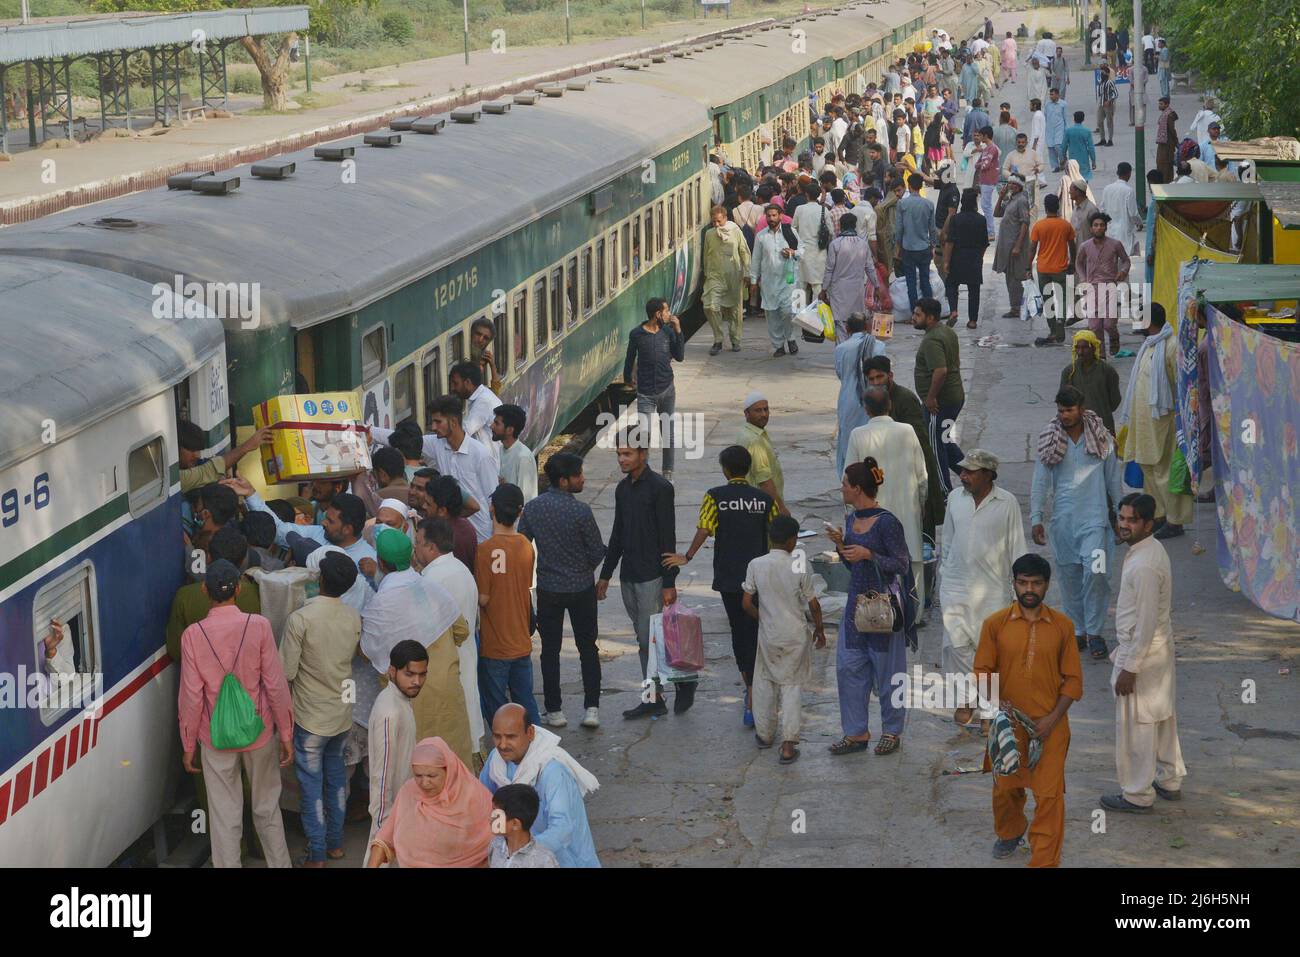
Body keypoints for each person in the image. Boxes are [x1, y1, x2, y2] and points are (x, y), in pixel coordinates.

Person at [177, 560, 294, 869]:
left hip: (215, 738)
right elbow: (275, 685)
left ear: (205, 590)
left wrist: (188, 745)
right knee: (267, 808)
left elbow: (190, 697)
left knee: (224, 817)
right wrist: (286, 732)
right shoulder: (259, 626)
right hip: (259, 732)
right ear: (239, 589)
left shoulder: (192, 635)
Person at [974, 553, 1083, 867]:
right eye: (1023, 583)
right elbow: (981, 670)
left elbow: (1073, 681)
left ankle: (1044, 861)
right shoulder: (994, 624)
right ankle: (1010, 831)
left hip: (1050, 727)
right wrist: (995, 706)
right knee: (1006, 787)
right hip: (1008, 726)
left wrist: (1052, 719)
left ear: (1047, 585)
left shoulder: (1063, 626)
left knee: (1049, 796)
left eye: (1036, 583)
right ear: (1014, 584)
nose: (1029, 589)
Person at [662, 446, 776, 730]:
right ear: (748, 469)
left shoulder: (715, 497)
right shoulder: (764, 499)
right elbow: (777, 534)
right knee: (761, 630)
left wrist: (686, 557)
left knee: (740, 633)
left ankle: (750, 693)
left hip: (730, 579)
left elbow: (704, 528)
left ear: (725, 470)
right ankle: (760, 691)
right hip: (761, 577)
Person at [827, 458, 917, 757]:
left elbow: (902, 563)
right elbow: (852, 567)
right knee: (849, 668)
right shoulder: (852, 520)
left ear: (857, 488)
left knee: (889, 672)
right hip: (856, 605)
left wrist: (869, 554)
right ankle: (856, 732)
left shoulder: (888, 522)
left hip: (883, 607)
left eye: (844, 484)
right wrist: (842, 546)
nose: (841, 489)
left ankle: (892, 730)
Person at [1101, 493, 1186, 812]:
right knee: (1160, 716)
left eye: (1132, 520)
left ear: (1149, 524)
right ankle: (1169, 779)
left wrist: (1130, 667)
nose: (1124, 525)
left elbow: (1146, 621)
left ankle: (1137, 794)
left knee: (1137, 726)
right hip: (1155, 650)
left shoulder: (1146, 564)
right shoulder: (1146, 551)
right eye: (1121, 518)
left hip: (1143, 653)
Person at [362, 528, 475, 766]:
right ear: (412, 556)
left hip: (409, 696)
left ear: (380, 562)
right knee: (452, 763)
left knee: (417, 770)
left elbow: (368, 651)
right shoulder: (434, 590)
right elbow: (462, 631)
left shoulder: (379, 605)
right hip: (446, 692)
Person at [598, 443, 693, 717]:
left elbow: (668, 536)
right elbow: (618, 533)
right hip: (629, 575)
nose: (621, 460)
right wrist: (606, 574)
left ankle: (657, 694)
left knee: (646, 641)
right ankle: (670, 687)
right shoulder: (622, 489)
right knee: (650, 639)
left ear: (643, 454)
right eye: (618, 454)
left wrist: (669, 581)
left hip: (652, 576)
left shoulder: (660, 488)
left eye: (627, 454)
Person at [280, 552, 362, 867]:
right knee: (337, 780)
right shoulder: (353, 616)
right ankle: (336, 845)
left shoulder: (301, 619)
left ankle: (316, 854)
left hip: (311, 717)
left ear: (321, 580)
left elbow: (286, 672)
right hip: (341, 713)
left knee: (311, 786)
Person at [1031, 386, 1123, 659]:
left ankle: (1095, 632)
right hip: (1063, 523)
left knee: (1096, 574)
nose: (1064, 415)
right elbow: (1040, 481)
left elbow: (1113, 480)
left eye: (1069, 410)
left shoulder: (1101, 437)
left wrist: (1120, 515)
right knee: (1070, 579)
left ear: (1081, 409)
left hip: (1095, 521)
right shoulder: (1050, 438)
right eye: (1060, 410)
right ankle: (1078, 631)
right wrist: (1036, 518)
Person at [518, 453, 606, 730]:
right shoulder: (581, 511)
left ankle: (554, 710)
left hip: (548, 590)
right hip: (581, 589)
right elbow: (596, 551)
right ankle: (591, 708)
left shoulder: (532, 509)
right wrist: (581, 567)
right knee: (587, 647)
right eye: (579, 475)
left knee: (550, 650)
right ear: (564, 481)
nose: (583, 479)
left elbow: (522, 547)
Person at [940, 450, 1026, 729]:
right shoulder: (955, 499)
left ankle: (990, 710)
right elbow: (948, 542)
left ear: (988, 475)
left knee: (989, 653)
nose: (963, 476)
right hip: (955, 586)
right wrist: (945, 575)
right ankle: (965, 699)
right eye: (962, 471)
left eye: (970, 472)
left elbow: (1017, 548)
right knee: (957, 647)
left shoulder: (1007, 502)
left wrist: (1019, 594)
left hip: (992, 590)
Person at [739, 513, 826, 765]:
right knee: (791, 686)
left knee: (765, 681)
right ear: (792, 540)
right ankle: (788, 745)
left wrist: (764, 617)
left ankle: (765, 735)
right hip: (795, 635)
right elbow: (813, 604)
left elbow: (746, 603)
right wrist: (819, 630)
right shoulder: (799, 564)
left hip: (769, 635)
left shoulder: (756, 564)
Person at [480, 703, 601, 868]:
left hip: (563, 859)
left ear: (529, 733)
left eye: (510, 737)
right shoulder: (496, 760)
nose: (502, 744)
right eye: (497, 736)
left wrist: (526, 851)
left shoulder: (553, 771)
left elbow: (562, 828)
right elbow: (482, 801)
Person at [845, 385, 929, 605]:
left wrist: (852, 518)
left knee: (875, 566)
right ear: (890, 405)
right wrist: (920, 505)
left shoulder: (857, 435)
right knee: (911, 561)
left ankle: (877, 612)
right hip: (906, 512)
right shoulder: (907, 431)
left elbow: (849, 480)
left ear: (866, 409)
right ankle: (913, 613)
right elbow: (922, 477)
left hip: (872, 518)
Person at [1116, 304, 1192, 540]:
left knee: (1165, 471)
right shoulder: (1150, 344)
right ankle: (1158, 516)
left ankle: (1175, 520)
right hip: (1144, 423)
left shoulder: (1171, 346)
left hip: (1164, 422)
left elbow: (1180, 385)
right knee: (1148, 468)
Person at [413, 517, 485, 754]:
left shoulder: (433, 579)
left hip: (446, 668)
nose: (415, 548)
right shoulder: (460, 569)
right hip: (463, 660)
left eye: (418, 543)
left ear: (431, 547)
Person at [366, 736, 494, 868]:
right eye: (418, 776)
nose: (424, 783)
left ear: (448, 770)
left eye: (432, 776)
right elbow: (385, 837)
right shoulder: (409, 792)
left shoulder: (473, 795)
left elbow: (498, 840)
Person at [474, 484, 542, 726]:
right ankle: (539, 748)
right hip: (520, 640)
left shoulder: (484, 550)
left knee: (497, 708)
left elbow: (483, 598)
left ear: (491, 509)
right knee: (526, 703)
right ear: (520, 513)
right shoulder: (525, 545)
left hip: (494, 645)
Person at [166, 525, 263, 662]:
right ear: (242, 561)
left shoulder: (184, 596)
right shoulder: (259, 592)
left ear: (209, 557)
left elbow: (176, 651)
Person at [366, 639, 427, 846]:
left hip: (404, 810)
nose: (417, 681)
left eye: (422, 674)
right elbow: (381, 775)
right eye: (409, 674)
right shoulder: (390, 712)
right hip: (390, 818)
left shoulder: (401, 701)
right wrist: (384, 825)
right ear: (392, 671)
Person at [623, 298, 685, 479]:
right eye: (666, 311)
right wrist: (628, 378)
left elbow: (679, 356)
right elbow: (629, 358)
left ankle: (668, 473)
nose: (669, 314)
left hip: (667, 390)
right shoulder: (637, 334)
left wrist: (678, 330)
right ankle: (645, 474)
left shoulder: (667, 331)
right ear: (657, 314)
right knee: (644, 436)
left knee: (668, 435)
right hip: (646, 394)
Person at [910, 297, 964, 495]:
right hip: (953, 397)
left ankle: (944, 491)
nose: (913, 318)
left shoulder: (932, 339)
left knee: (936, 446)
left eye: (918, 315)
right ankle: (970, 474)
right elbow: (955, 362)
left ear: (931, 318)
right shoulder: (947, 331)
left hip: (940, 403)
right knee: (944, 439)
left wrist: (931, 398)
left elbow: (941, 370)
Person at [833, 312, 887, 475]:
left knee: (848, 441)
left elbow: (840, 373)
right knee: (874, 439)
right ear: (867, 327)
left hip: (849, 399)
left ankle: (849, 478)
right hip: (875, 398)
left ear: (847, 329)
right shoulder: (878, 346)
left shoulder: (841, 348)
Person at [1074, 212, 1131, 359]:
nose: (1099, 228)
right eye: (1096, 225)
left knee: (1108, 324)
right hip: (1092, 289)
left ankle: (1114, 337)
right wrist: (1083, 278)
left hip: (1109, 287)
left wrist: (1123, 271)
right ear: (1091, 228)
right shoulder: (1085, 246)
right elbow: (1078, 263)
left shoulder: (1115, 244)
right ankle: (1101, 355)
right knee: (1094, 326)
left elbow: (1126, 260)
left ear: (1106, 228)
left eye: (1101, 225)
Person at [750, 203, 803, 358]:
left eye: (774, 215)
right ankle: (778, 345)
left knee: (788, 311)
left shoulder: (790, 232)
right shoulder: (761, 236)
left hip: (788, 280)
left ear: (780, 216)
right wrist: (754, 280)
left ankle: (791, 338)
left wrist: (793, 253)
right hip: (768, 282)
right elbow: (756, 259)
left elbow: (802, 250)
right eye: (769, 216)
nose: (771, 218)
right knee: (772, 314)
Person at [821, 213, 878, 343]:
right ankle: (855, 352)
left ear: (841, 226)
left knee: (840, 324)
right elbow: (870, 268)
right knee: (857, 323)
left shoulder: (835, 244)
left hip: (838, 291)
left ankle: (843, 353)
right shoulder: (863, 244)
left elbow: (829, 269)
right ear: (855, 226)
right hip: (857, 289)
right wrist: (877, 286)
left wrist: (823, 289)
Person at [1029, 194, 1077, 346]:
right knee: (1062, 299)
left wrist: (1028, 266)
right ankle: (1060, 325)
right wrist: (1073, 262)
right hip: (1060, 268)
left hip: (1043, 268)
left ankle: (1052, 331)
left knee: (1048, 300)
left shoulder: (1038, 226)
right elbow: (1072, 246)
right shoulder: (1065, 225)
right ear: (1057, 206)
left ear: (1045, 206)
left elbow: (1032, 248)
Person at [702, 205, 751, 354]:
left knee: (734, 312)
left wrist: (747, 273)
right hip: (715, 276)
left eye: (719, 221)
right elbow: (706, 255)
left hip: (733, 276)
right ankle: (718, 339)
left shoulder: (735, 231)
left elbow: (744, 251)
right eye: (714, 222)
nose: (716, 225)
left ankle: (735, 339)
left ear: (725, 218)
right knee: (710, 306)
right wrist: (706, 272)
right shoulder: (709, 234)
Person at [177, 420, 272, 493]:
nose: (197, 455)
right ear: (177, 449)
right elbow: (207, 471)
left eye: (198, 450)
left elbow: (208, 465)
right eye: (192, 450)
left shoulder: (195, 463)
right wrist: (247, 446)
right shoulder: (179, 478)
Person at [941, 187, 989, 329]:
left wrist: (946, 261)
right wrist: (979, 258)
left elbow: (950, 242)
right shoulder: (981, 220)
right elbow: (984, 243)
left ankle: (954, 310)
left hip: (957, 257)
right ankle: (973, 320)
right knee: (974, 290)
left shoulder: (956, 219)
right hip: (974, 257)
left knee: (951, 284)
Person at [735, 391, 788, 517]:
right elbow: (764, 481)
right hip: (762, 505)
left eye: (766, 409)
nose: (764, 414)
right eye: (758, 411)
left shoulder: (747, 432)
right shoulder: (754, 440)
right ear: (746, 413)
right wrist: (781, 508)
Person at [1060, 330, 1123, 435]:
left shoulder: (1107, 371)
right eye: (1077, 348)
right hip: (1076, 427)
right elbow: (1062, 401)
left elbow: (1115, 401)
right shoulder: (1068, 372)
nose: (1080, 352)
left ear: (1094, 348)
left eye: (1084, 347)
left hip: (1103, 425)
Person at [990, 174, 1033, 319]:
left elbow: (1025, 223)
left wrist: (1018, 246)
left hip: (1015, 245)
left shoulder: (1021, 200)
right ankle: (1017, 306)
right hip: (1006, 245)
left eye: (1014, 184)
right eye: (1009, 184)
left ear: (1020, 186)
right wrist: (1001, 197)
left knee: (1015, 277)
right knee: (1010, 276)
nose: (1011, 186)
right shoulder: (1011, 199)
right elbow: (996, 213)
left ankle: (1017, 308)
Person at [488, 783, 559, 868]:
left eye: (497, 815)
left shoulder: (544, 861)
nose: (491, 819)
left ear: (515, 824)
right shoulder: (495, 845)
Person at [449, 360, 503, 466]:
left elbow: (464, 431)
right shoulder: (481, 397)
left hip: (489, 464)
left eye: (456, 384)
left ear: (468, 383)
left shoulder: (483, 401)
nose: (453, 388)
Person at [793, 182, 830, 301]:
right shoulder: (824, 210)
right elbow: (831, 231)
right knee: (817, 285)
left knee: (800, 286)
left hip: (802, 251)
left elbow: (793, 229)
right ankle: (817, 314)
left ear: (806, 194)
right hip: (819, 252)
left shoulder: (799, 209)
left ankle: (798, 314)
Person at [1099, 162, 1141, 256]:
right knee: (1123, 258)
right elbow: (1133, 213)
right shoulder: (1129, 191)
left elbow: (1102, 209)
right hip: (1124, 231)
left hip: (1110, 229)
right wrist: (1139, 223)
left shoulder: (1107, 188)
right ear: (1129, 173)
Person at [470, 316, 503, 393]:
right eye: (478, 334)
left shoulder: (481, 356)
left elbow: (495, 393)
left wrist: (492, 366)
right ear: (471, 333)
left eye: (485, 338)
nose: (480, 340)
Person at [1063, 110, 1096, 182]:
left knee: (1074, 178)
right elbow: (1091, 148)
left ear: (1074, 119)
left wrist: (1064, 158)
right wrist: (1093, 161)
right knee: (1084, 178)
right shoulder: (1087, 131)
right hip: (1084, 159)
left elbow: (1063, 146)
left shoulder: (1068, 131)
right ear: (1083, 119)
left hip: (1072, 158)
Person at [1043, 88, 1068, 172]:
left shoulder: (1063, 104)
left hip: (1059, 129)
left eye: (1052, 94)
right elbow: (1045, 116)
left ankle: (1062, 160)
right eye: (1050, 94)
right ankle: (1055, 166)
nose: (1051, 96)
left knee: (1058, 146)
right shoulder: (1047, 104)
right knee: (1051, 148)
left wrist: (1066, 130)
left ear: (1057, 95)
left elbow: (1065, 118)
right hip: (1049, 129)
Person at [1154, 96, 1178, 183]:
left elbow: (1172, 130)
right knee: (1161, 163)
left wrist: (1176, 142)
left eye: (1161, 104)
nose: (1159, 106)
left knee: (1165, 164)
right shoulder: (1165, 113)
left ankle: (1166, 182)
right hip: (1163, 143)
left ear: (1167, 105)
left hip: (1167, 144)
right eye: (1159, 104)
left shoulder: (1169, 115)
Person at [1068, 179, 1099, 244]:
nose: (1069, 192)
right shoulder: (1076, 207)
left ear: (1078, 192)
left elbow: (1097, 232)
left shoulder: (1091, 209)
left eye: (1071, 190)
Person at [1095, 64, 1118, 147]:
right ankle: (1102, 139)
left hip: (1108, 105)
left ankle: (1110, 140)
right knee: (1099, 121)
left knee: (1109, 122)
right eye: (1101, 73)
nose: (1102, 75)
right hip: (1101, 104)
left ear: (1107, 74)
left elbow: (1115, 93)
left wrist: (1109, 100)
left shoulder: (1110, 82)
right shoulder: (1101, 83)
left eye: (1103, 73)